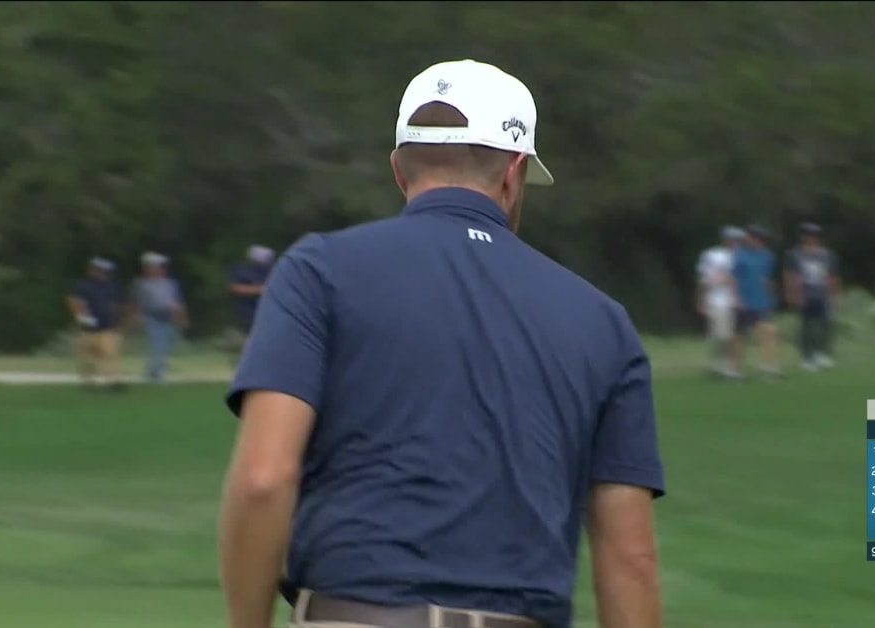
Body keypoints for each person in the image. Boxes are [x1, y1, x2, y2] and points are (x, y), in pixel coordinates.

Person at [218, 59, 665, 628]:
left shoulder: (319, 270)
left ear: (400, 170)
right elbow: (631, 559)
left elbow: (263, 479)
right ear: (513, 171)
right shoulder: (604, 322)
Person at [784, 223, 841, 371]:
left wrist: (834, 295)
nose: (811, 238)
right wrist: (793, 294)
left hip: (822, 293)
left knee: (824, 326)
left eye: (814, 236)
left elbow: (833, 276)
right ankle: (807, 357)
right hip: (805, 294)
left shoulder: (827, 255)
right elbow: (791, 275)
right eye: (808, 235)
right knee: (806, 326)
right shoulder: (795, 254)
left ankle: (822, 354)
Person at [65, 257, 127, 391]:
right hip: (88, 328)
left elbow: (120, 305)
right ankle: (88, 381)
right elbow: (73, 301)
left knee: (110, 353)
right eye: (98, 270)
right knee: (88, 356)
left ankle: (114, 380)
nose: (101, 273)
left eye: (104, 271)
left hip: (107, 327)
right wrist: (81, 316)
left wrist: (119, 320)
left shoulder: (113, 287)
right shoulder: (83, 286)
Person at [732, 225, 782, 377]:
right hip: (744, 299)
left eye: (754, 238)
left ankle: (769, 367)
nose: (751, 240)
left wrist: (771, 296)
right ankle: (737, 370)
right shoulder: (739, 255)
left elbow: (767, 278)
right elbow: (734, 278)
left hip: (761, 300)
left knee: (768, 332)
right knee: (740, 336)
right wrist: (736, 298)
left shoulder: (767, 256)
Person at [132, 252, 188, 383]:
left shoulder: (171, 284)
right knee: (157, 344)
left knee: (165, 345)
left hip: (168, 317)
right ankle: (156, 373)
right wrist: (136, 316)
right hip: (151, 317)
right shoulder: (142, 284)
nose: (158, 270)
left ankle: (151, 371)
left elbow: (178, 302)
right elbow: (138, 303)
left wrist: (181, 317)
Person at [696, 227, 743, 377]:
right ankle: (719, 366)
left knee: (728, 335)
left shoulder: (741, 257)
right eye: (733, 239)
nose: (736, 243)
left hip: (731, 301)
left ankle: (729, 368)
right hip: (716, 300)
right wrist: (702, 301)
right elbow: (704, 280)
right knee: (717, 335)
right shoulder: (713, 255)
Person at [229, 245, 275, 358]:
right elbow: (235, 287)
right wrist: (259, 290)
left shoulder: (271, 270)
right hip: (247, 310)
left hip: (267, 310)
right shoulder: (242, 270)